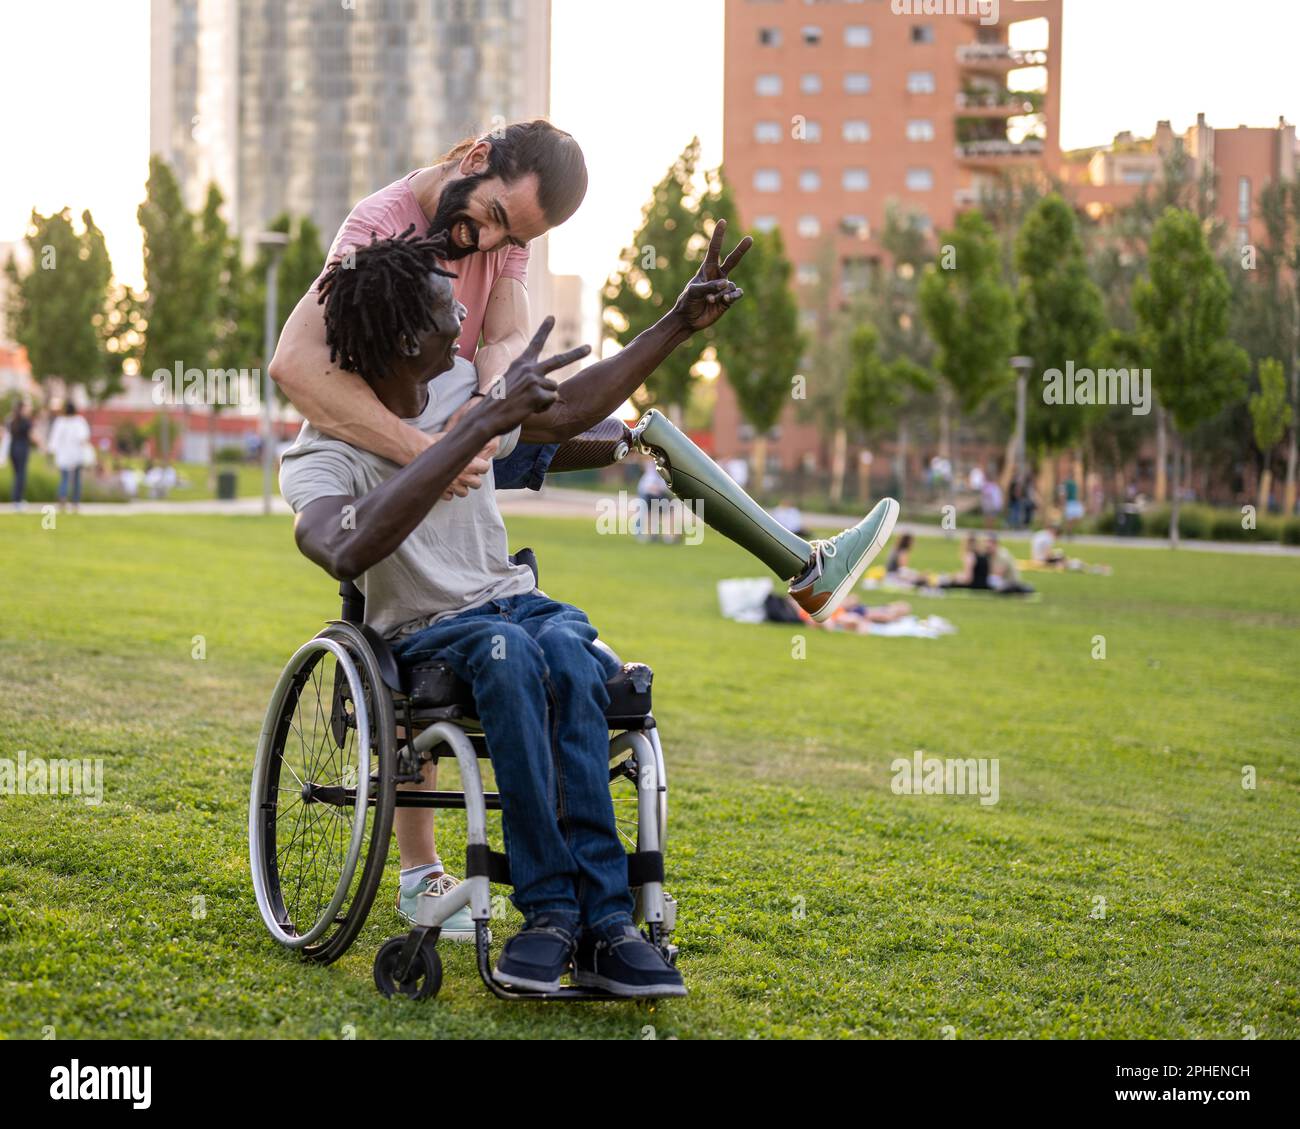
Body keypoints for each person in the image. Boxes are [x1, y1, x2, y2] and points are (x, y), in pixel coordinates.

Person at [278, 225, 761, 995]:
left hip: (518, 604)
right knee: (508, 653)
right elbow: (345, 548)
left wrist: (675, 324)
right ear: (407, 338)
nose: (463, 324)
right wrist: (469, 429)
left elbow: (571, 412)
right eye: (447, 314)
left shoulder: (464, 384)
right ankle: (548, 916)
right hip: (431, 628)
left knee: (566, 651)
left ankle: (606, 926)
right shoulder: (324, 451)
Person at [47, 400, 90, 512]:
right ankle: (75, 502)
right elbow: (83, 438)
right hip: (76, 454)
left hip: (64, 455)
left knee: (64, 478)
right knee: (76, 479)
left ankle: (62, 497)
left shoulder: (60, 422)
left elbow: (54, 440)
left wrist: (51, 452)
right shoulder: (79, 422)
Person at [7, 402, 35, 509]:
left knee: (16, 475)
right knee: (21, 475)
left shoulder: (11, 420)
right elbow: (31, 435)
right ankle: (18, 500)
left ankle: (15, 498)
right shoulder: (25, 422)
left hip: (13, 449)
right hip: (22, 449)